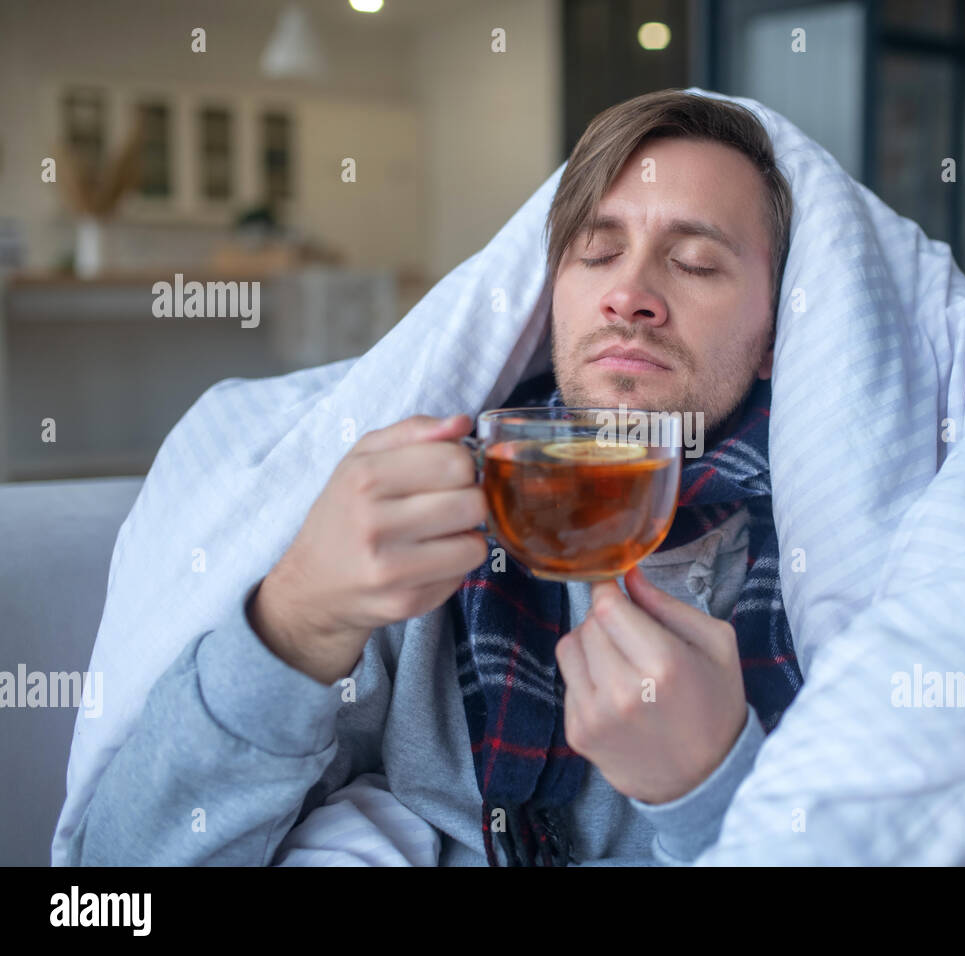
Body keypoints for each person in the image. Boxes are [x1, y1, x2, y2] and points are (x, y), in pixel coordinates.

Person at [66, 90, 805, 866]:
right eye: (596, 252)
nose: (629, 295)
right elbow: (111, 888)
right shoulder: (423, 525)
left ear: (776, 332)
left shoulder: (835, 566)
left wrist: (710, 792)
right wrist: (297, 618)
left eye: (695, 262)